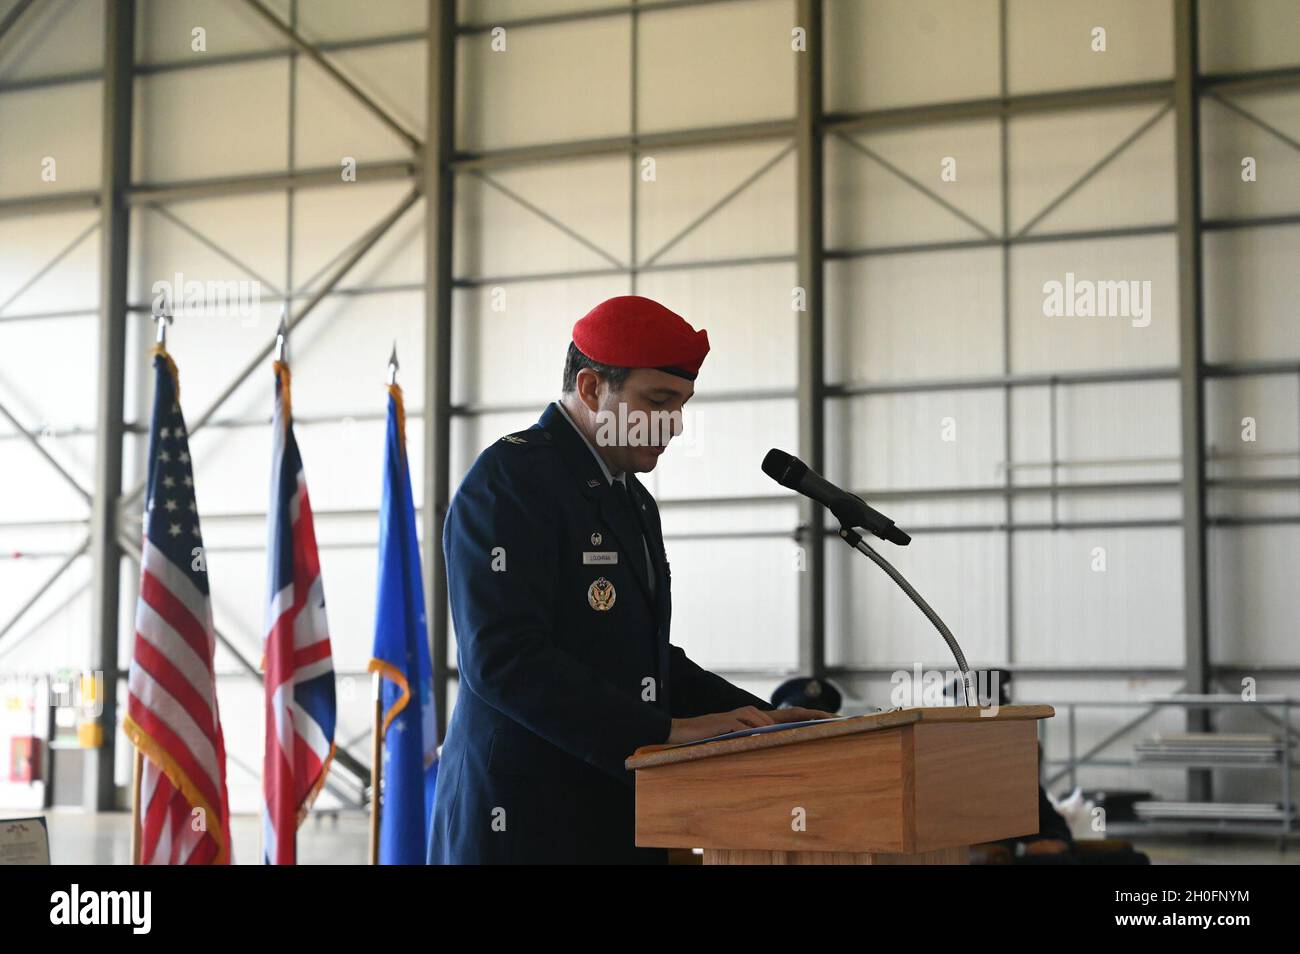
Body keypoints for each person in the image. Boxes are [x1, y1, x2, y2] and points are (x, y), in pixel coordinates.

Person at [427, 295, 830, 864]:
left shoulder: (633, 501)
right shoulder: (510, 480)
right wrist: (663, 731)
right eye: (658, 400)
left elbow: (639, 659)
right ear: (592, 389)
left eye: (683, 405)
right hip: (523, 825)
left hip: (615, 816)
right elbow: (503, 660)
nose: (676, 424)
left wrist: (762, 722)